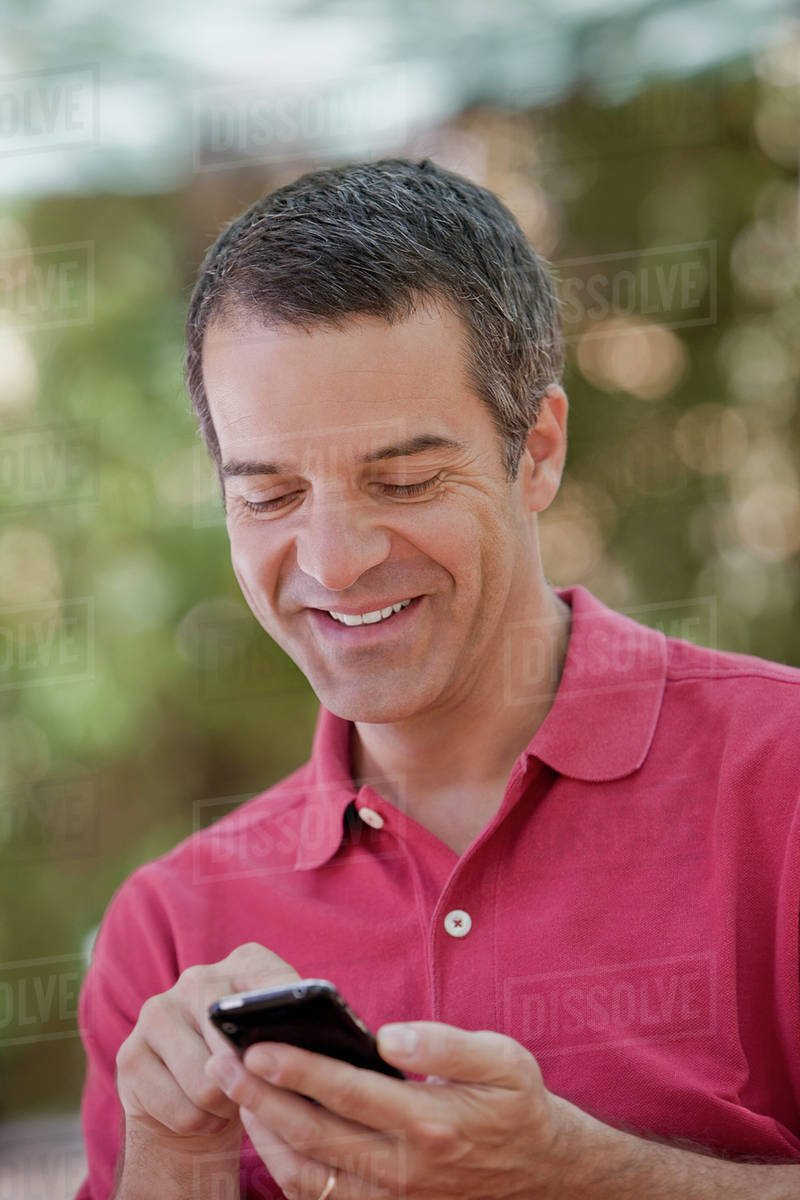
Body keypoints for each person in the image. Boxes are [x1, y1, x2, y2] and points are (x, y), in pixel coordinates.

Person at [75, 158, 800, 1200]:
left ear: (536, 452)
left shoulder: (777, 780)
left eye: (403, 480)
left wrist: (577, 1177)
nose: (333, 562)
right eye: (270, 494)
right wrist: (175, 1153)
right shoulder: (168, 927)